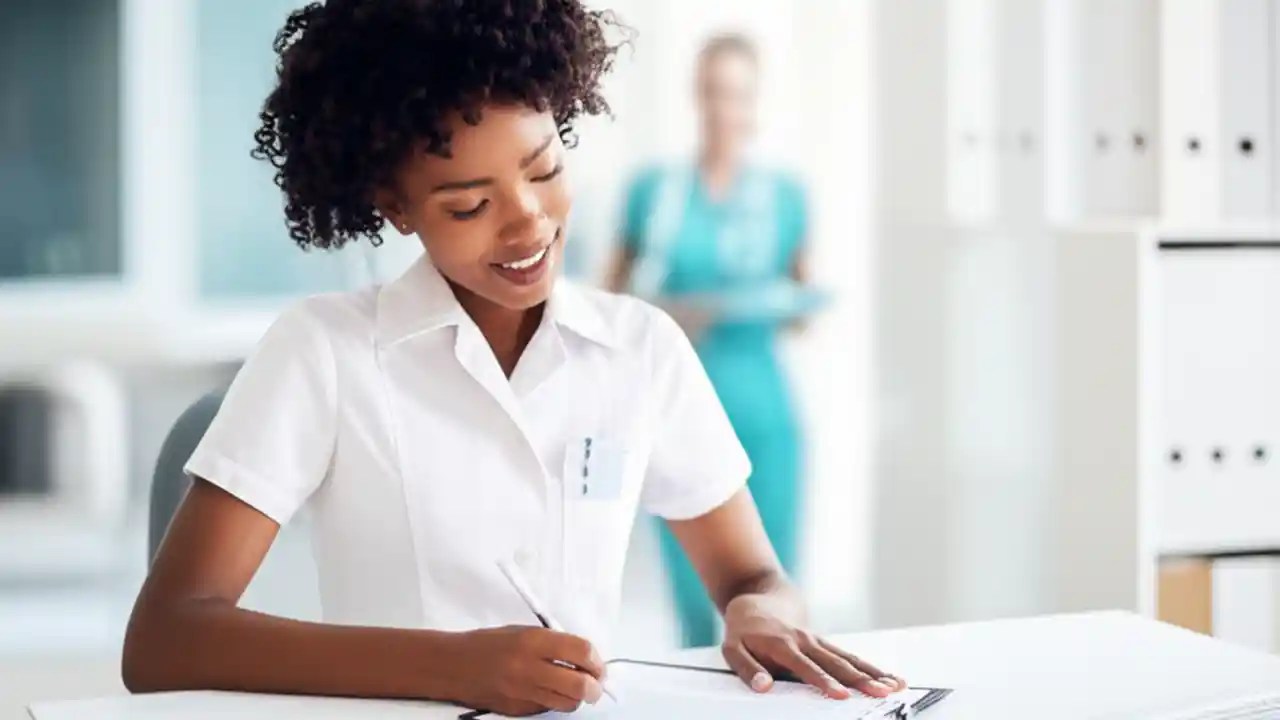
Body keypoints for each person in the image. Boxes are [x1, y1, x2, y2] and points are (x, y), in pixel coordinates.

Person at [122, 2, 900, 716]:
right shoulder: (325, 352)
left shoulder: (640, 350)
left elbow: (750, 575)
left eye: (545, 169)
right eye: (469, 204)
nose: (527, 224)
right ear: (394, 207)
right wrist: (452, 666)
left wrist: (763, 607)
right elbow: (165, 639)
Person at [608, 34, 814, 649]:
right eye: (714, 92)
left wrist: (782, 305)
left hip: (765, 405)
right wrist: (675, 313)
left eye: (738, 94)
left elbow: (800, 308)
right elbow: (610, 308)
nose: (726, 108)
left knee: (773, 584)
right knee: (699, 596)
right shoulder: (655, 193)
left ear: (756, 102)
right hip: (683, 404)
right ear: (697, 96)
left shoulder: (786, 196)